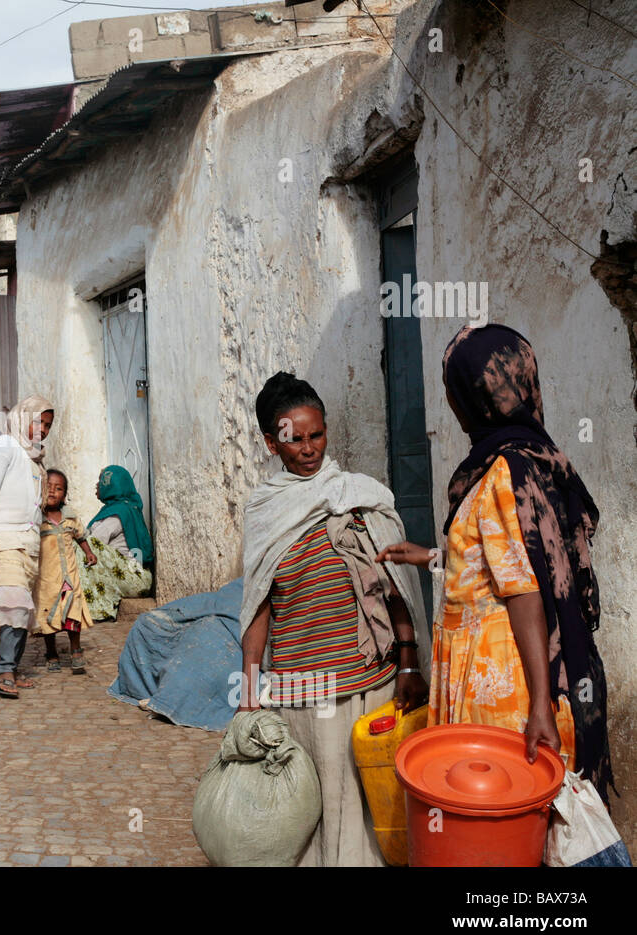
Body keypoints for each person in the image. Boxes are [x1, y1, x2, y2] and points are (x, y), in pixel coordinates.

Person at [377, 324, 612, 799]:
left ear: (477, 396)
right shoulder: (532, 457)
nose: (451, 402)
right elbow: (508, 558)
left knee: (495, 810)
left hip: (499, 680)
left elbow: (524, 588)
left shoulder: (503, 469)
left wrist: (540, 706)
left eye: (454, 389)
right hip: (507, 669)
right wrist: (432, 558)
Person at [237, 371, 427, 867]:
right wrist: (250, 688)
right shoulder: (265, 512)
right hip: (303, 690)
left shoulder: (358, 496)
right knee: (315, 807)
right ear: (270, 443)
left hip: (371, 683)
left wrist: (409, 662)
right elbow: (259, 605)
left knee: (370, 807)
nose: (307, 448)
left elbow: (396, 586)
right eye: (293, 439)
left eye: (316, 435)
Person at [0, 395, 54, 699]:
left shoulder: (35, 456)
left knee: (23, 609)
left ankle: (14, 666)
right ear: (25, 418)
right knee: (12, 603)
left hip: (30, 542)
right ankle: (6, 670)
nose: (44, 429)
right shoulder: (5, 447)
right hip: (7, 539)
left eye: (49, 425)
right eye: (40, 422)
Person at [34, 469, 97, 674]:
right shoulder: (36, 517)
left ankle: (76, 649)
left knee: (72, 610)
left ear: (65, 494)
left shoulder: (70, 516)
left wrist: (88, 553)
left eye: (58, 488)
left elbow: (81, 536)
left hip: (69, 576)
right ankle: (51, 652)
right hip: (46, 578)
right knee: (47, 614)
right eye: (48, 487)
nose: (52, 491)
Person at [81, 464, 155, 621]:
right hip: (132, 576)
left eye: (101, 480)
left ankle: (97, 610)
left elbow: (93, 542)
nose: (97, 484)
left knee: (87, 547)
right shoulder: (122, 509)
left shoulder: (118, 513)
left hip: (133, 579)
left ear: (112, 485)